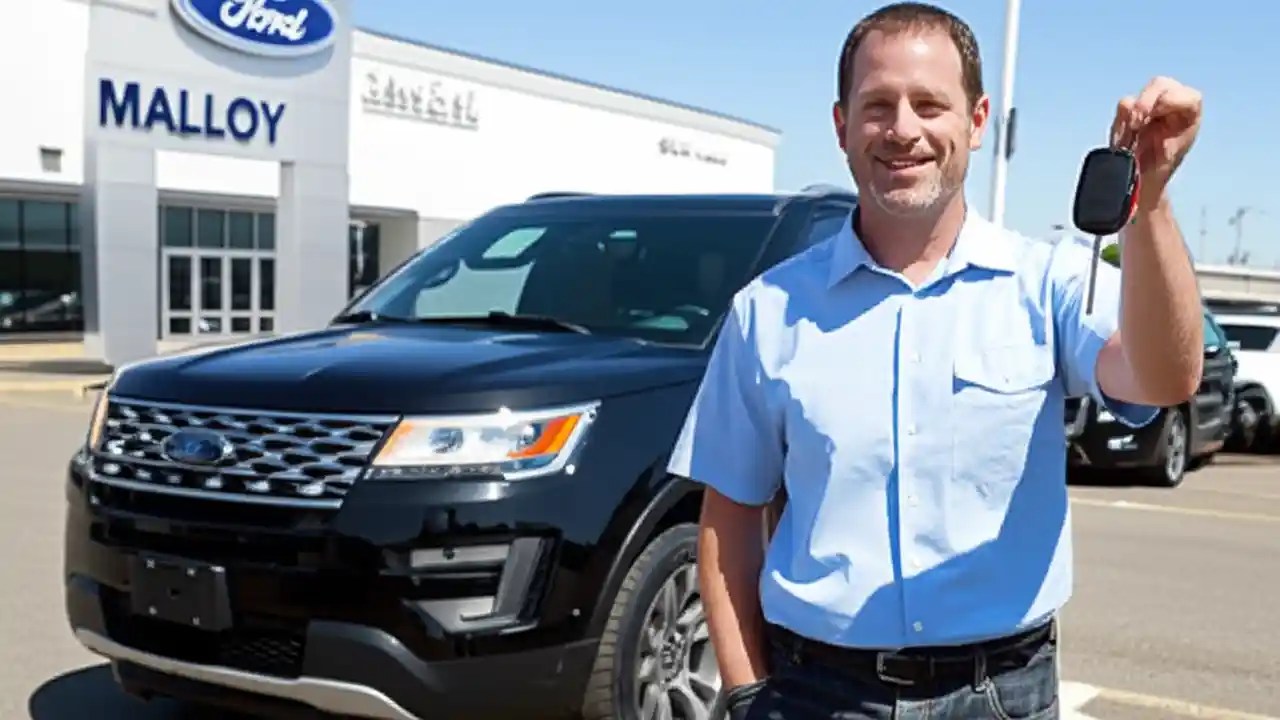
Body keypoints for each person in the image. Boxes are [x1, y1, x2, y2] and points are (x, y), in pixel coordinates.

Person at [668, 2, 1205, 718]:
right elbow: (728, 521)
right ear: (840, 126)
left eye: (930, 105)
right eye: (877, 105)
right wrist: (744, 694)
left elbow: (1166, 379)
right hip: (814, 694)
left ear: (977, 121)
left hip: (1001, 694)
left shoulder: (1047, 285)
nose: (903, 130)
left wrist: (1154, 202)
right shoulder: (766, 313)